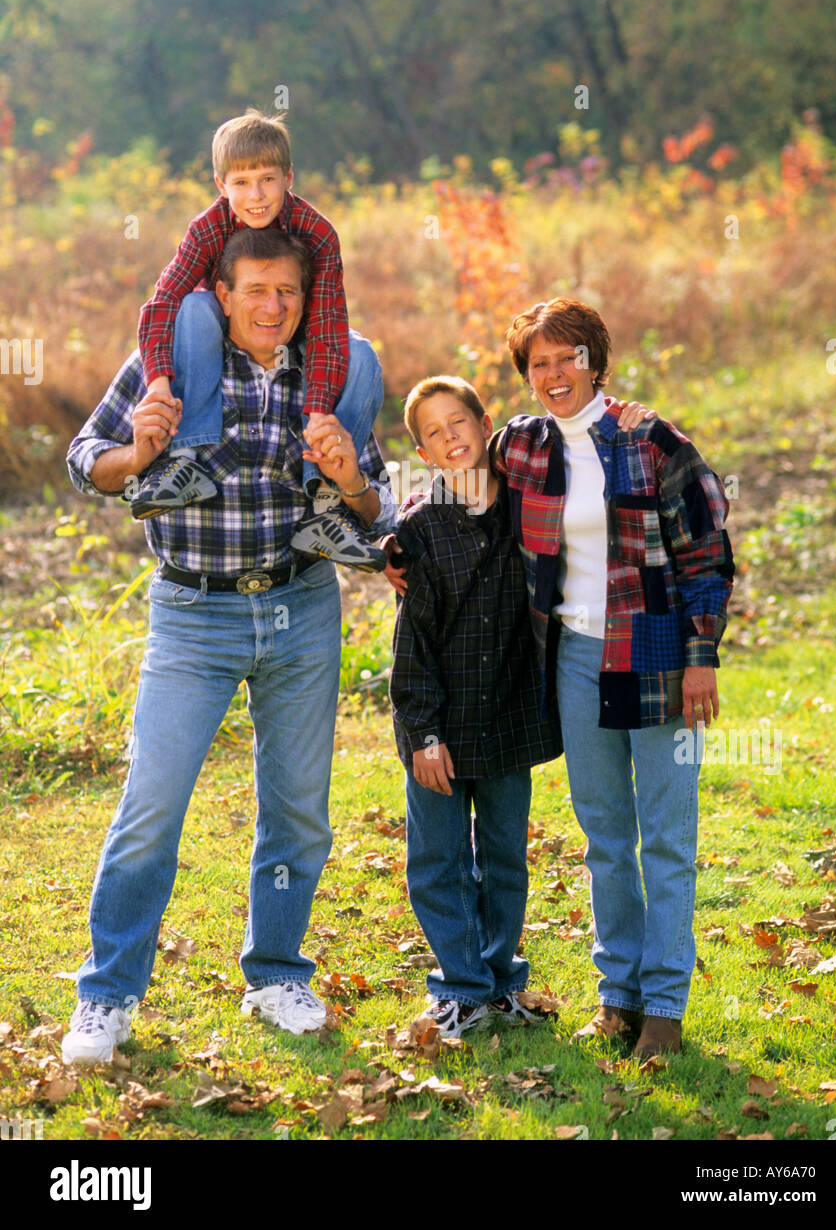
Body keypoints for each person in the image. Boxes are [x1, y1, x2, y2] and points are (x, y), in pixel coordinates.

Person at [61, 228, 395, 1064]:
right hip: (193, 615)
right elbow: (84, 458)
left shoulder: (334, 370)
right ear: (221, 292)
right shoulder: (173, 363)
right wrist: (137, 451)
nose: (274, 308)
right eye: (256, 291)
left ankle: (277, 974)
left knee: (298, 812)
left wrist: (350, 480)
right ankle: (107, 995)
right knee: (152, 806)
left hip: (300, 606)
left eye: (288, 292)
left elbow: (376, 510)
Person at [497, 297, 734, 1058]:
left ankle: (663, 1005)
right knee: (604, 837)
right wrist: (400, 545)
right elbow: (456, 483)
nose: (555, 373)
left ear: (595, 360)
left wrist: (702, 658)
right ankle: (618, 994)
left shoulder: (653, 440)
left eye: (569, 357)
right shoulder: (523, 447)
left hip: (657, 652)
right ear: (527, 374)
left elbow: (706, 555)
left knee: (666, 835)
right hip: (572, 658)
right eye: (540, 362)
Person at [132, 107, 385, 571]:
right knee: (192, 305)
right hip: (230, 329)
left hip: (294, 327)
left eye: (267, 179)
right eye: (242, 183)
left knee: (363, 354)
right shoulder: (207, 227)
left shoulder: (318, 233)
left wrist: (319, 412)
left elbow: (327, 326)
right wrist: (158, 382)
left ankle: (325, 503)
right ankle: (186, 461)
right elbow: (162, 302)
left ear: (289, 177)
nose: (256, 196)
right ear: (221, 185)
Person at [388, 377, 563, 1037]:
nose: (451, 437)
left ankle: (497, 985)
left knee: (504, 856)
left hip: (509, 717)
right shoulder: (421, 528)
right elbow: (413, 646)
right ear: (425, 453)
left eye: (459, 421)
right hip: (439, 724)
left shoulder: (528, 507)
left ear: (484, 424)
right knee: (437, 859)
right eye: (433, 433)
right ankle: (459, 987)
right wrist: (423, 733)